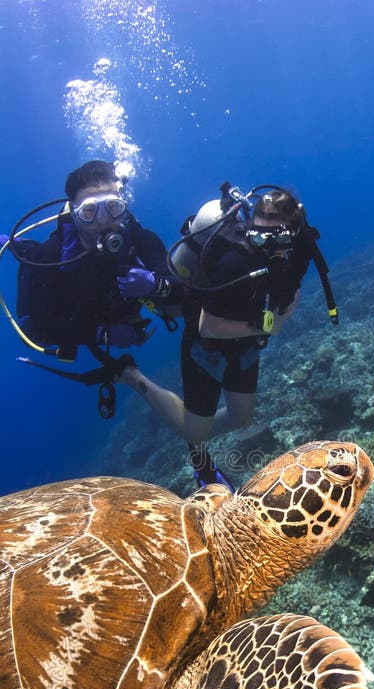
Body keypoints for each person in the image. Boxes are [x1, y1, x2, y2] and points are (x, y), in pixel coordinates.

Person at [119, 186, 318, 487]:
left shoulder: (300, 246)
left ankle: (196, 430)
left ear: (294, 230)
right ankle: (132, 375)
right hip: (206, 346)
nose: (268, 246)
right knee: (194, 431)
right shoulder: (235, 260)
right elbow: (206, 327)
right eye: (259, 236)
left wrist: (286, 304)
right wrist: (266, 326)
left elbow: (294, 285)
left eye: (277, 237)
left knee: (241, 418)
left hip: (246, 342)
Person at [0, 159, 177, 376]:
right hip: (80, 316)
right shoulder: (49, 258)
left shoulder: (139, 240)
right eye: (89, 211)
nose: (102, 221)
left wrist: (157, 285)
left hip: (116, 311)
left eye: (113, 207)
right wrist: (101, 335)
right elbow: (36, 330)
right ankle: (14, 244)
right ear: (74, 212)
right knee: (28, 255)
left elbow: (180, 286)